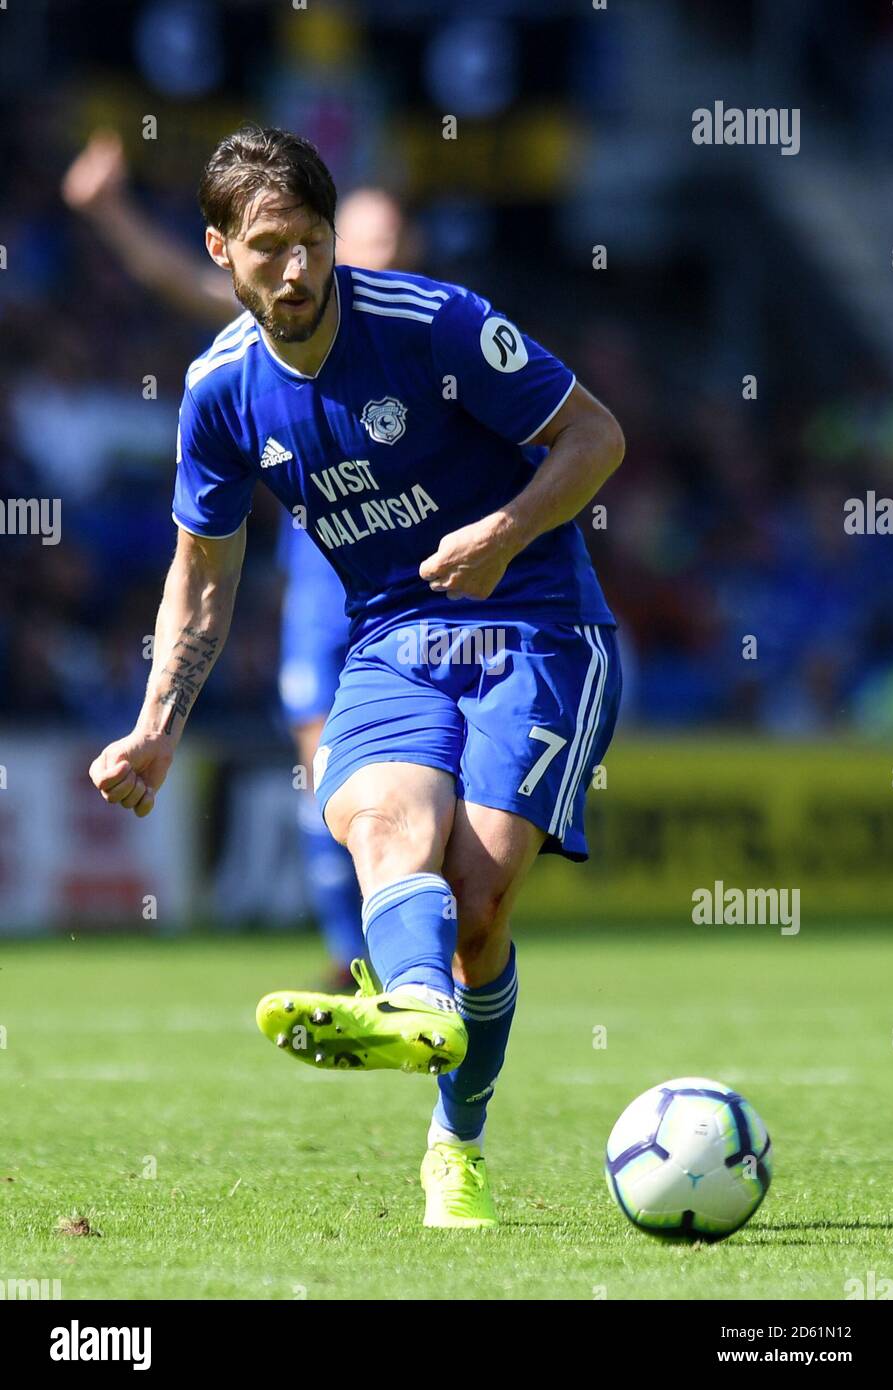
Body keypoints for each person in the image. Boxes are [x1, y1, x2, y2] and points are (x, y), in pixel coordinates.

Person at [89, 125, 625, 1228]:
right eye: (270, 246)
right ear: (219, 250)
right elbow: (200, 577)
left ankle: (455, 1138)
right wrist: (154, 729)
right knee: (379, 823)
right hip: (388, 638)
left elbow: (595, 437)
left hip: (531, 623)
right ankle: (415, 1002)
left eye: (313, 242)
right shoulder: (219, 392)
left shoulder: (436, 325)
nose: (296, 269)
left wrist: (504, 532)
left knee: (477, 903)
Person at [64, 135, 418, 986]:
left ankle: (415, 947)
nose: (302, 269)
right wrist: (108, 211)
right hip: (326, 586)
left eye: (375, 246)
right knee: (323, 766)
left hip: (434, 588)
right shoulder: (263, 329)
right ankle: (351, 956)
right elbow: (175, 277)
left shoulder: (421, 332)